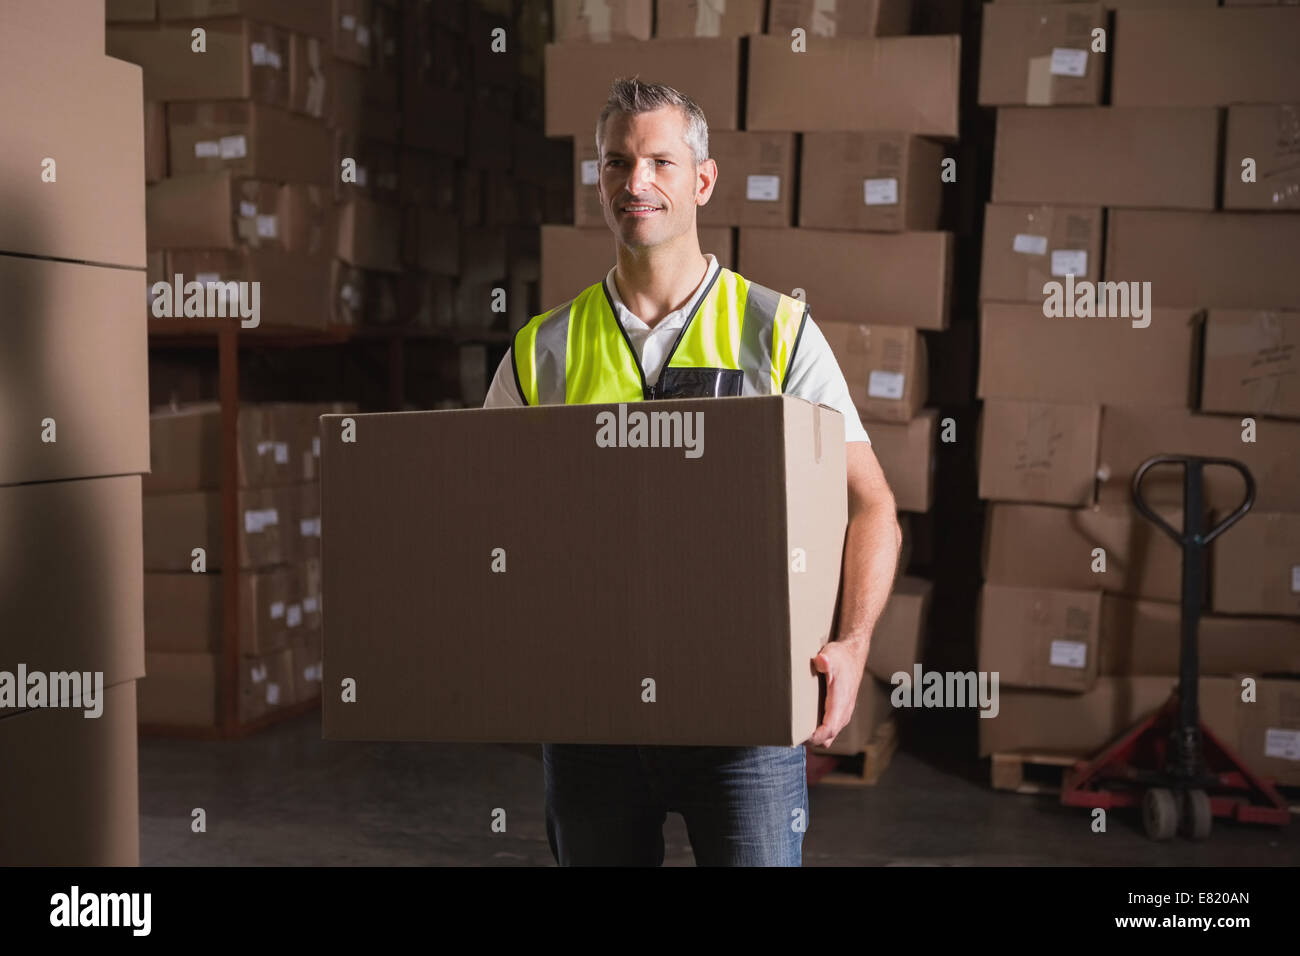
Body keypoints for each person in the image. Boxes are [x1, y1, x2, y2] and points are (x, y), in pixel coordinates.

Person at [483, 77, 902, 866]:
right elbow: (486, 518)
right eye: (616, 164)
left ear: (702, 180)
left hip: (742, 725)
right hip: (591, 722)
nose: (634, 183)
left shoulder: (778, 332)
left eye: (659, 163)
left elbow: (871, 503)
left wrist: (852, 644)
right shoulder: (543, 349)